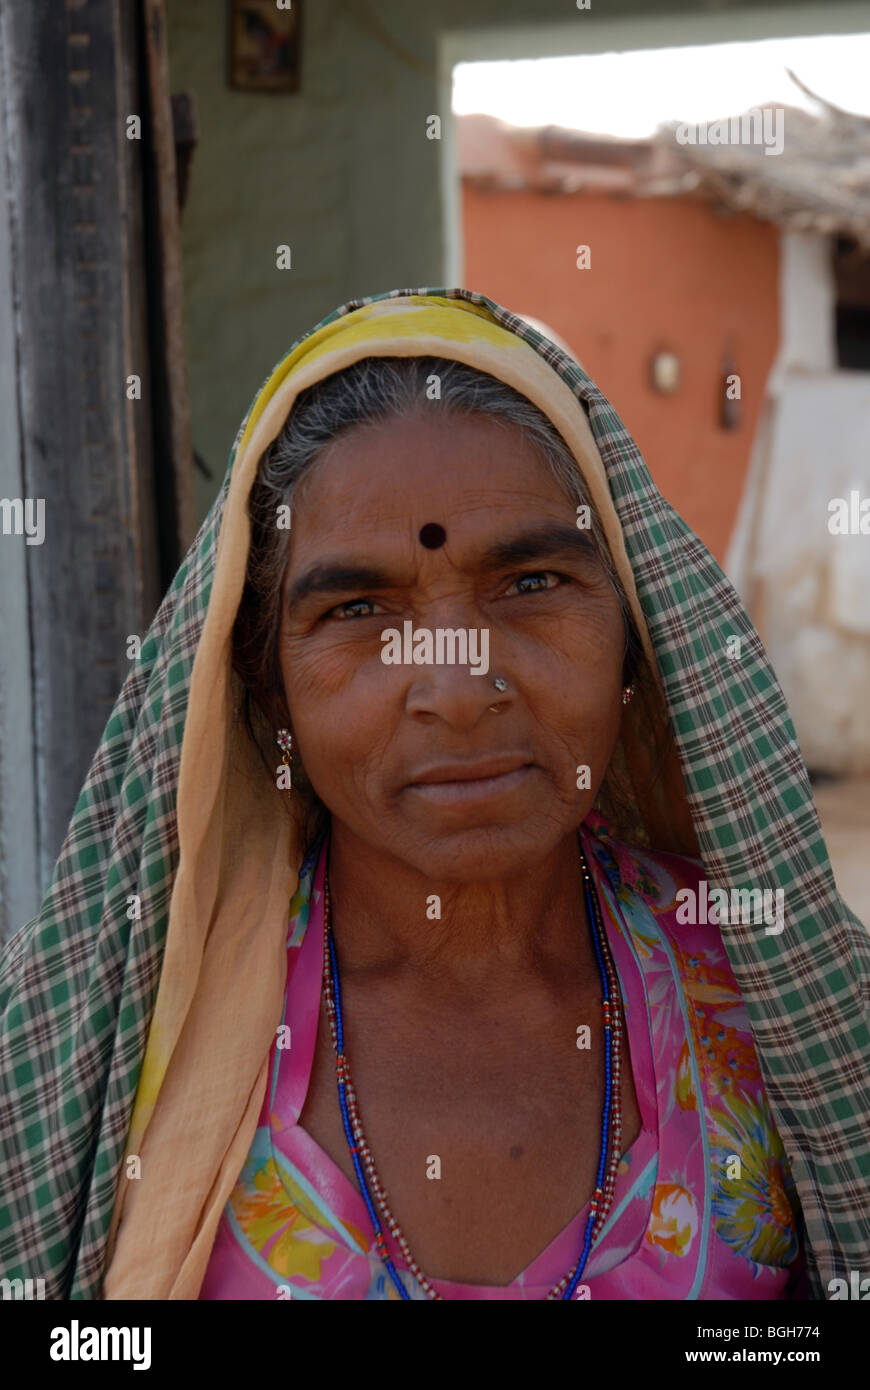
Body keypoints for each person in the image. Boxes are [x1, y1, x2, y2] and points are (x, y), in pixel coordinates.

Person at [1, 288, 867, 1302]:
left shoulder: (785, 998)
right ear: (268, 680)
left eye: (532, 583)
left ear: (637, 640)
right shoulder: (126, 1030)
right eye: (360, 608)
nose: (458, 691)